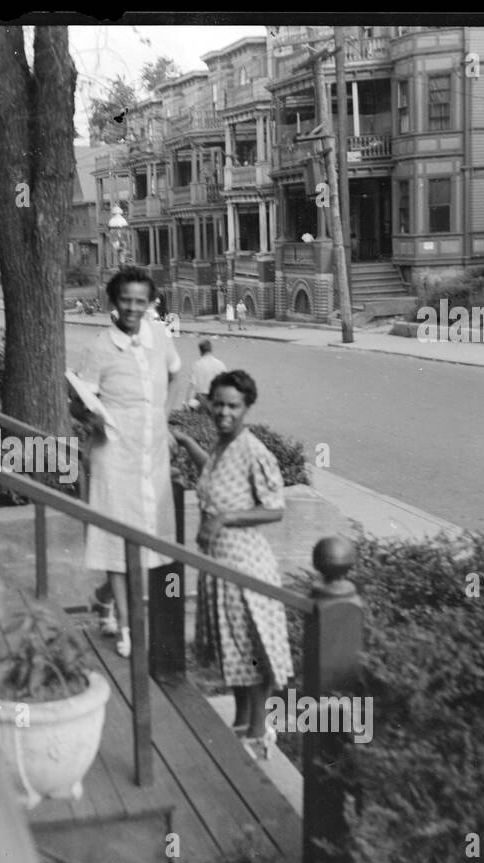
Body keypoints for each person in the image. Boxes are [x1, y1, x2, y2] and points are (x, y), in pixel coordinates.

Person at [169, 370, 293, 758]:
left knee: (252, 651)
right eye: (218, 403)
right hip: (221, 566)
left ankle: (258, 733)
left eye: (233, 406)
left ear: (247, 408)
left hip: (246, 566)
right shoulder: (224, 445)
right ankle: (242, 723)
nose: (224, 411)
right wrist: (189, 443)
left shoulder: (254, 451)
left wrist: (224, 519)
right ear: (208, 403)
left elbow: (274, 509)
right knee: (235, 649)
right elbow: (218, 476)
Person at [71, 265, 182, 658]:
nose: (134, 308)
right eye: (126, 301)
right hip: (114, 454)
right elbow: (80, 403)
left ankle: (106, 600)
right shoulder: (100, 348)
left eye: (141, 301)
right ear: (113, 303)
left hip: (151, 452)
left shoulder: (160, 335)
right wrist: (92, 419)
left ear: (151, 302)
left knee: (151, 534)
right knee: (118, 539)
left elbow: (175, 376)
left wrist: (164, 420)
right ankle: (128, 625)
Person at [188, 339, 227, 411]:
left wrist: (188, 403)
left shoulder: (197, 365)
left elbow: (193, 387)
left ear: (200, 351)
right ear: (211, 350)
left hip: (201, 401)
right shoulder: (221, 365)